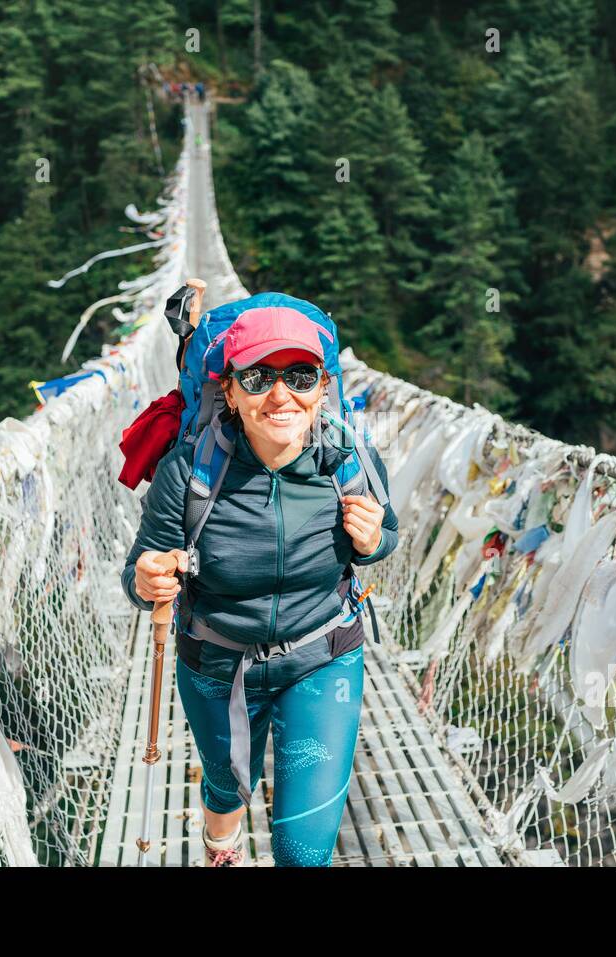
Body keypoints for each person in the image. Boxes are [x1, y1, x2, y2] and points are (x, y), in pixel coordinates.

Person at [122, 303, 400, 866]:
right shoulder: (190, 471)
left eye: (300, 376)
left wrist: (374, 542)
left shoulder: (349, 459)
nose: (280, 396)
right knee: (226, 786)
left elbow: (387, 534)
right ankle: (220, 844)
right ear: (229, 391)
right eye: (258, 377)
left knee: (303, 851)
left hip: (323, 656)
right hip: (218, 665)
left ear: (324, 388)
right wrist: (148, 579)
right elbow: (137, 573)